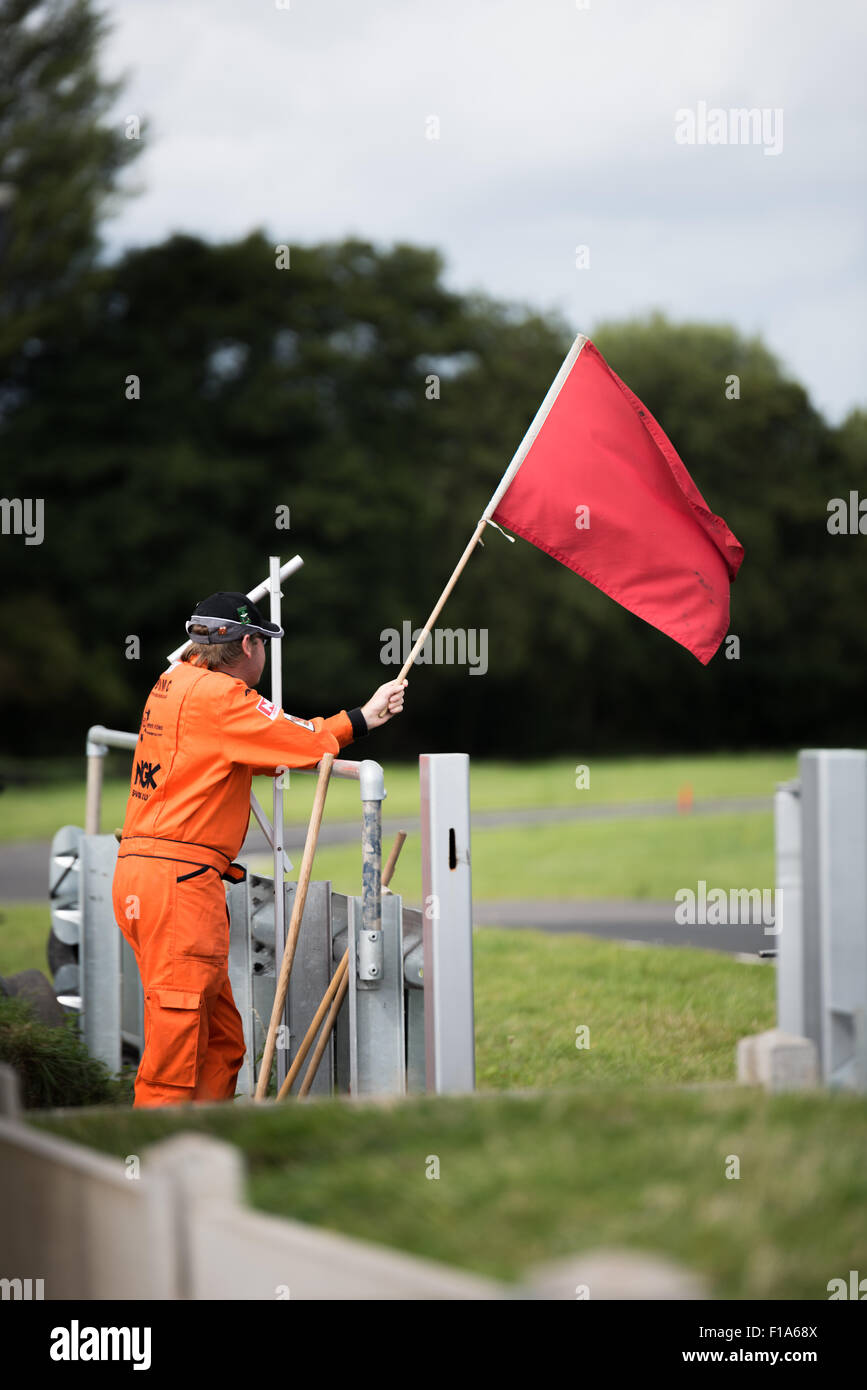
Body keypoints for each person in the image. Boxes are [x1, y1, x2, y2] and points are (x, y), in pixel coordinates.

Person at [111, 590, 406, 1108]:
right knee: (175, 1055)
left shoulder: (172, 681)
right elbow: (299, 740)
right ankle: (151, 1166)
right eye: (263, 644)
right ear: (248, 644)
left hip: (144, 876)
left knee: (220, 1041)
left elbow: (250, 749)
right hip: (179, 887)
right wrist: (363, 718)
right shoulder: (224, 699)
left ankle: (207, 1145)